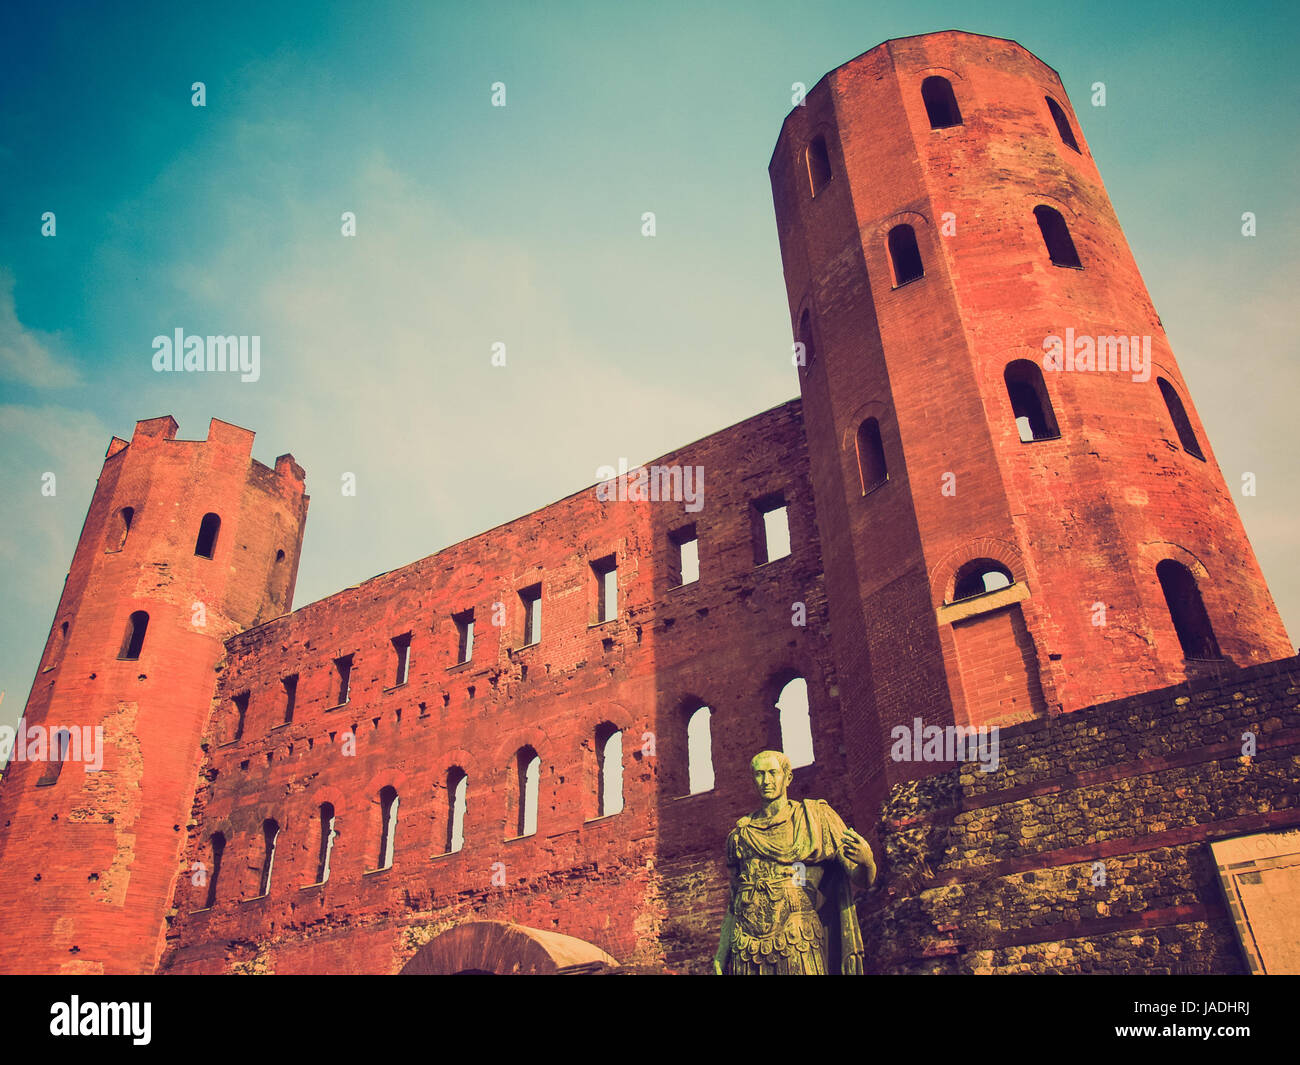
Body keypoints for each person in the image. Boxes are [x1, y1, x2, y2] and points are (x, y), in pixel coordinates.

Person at [713, 750, 875, 974]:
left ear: (787, 777)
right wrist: (721, 954)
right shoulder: (740, 835)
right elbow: (734, 903)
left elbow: (862, 879)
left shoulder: (816, 819)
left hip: (797, 937)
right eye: (759, 775)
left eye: (772, 773)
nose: (766, 781)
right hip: (747, 945)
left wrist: (867, 862)